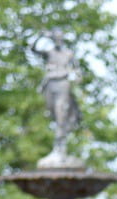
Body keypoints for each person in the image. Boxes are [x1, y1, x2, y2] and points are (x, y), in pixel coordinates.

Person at [31, 29, 81, 158]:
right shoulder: (49, 52)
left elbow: (77, 70)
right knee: (52, 112)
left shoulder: (68, 54)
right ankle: (59, 142)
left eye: (60, 38)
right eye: (56, 38)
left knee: (61, 115)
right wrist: (40, 36)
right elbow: (33, 49)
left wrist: (76, 77)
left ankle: (60, 147)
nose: (58, 40)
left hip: (63, 84)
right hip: (50, 84)